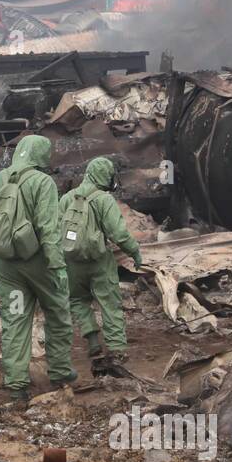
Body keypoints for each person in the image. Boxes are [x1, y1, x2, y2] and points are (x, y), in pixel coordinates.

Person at [0, 135, 76, 400]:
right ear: (41, 155)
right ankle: (59, 373)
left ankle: (16, 383)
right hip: (40, 265)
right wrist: (57, 266)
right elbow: (49, 228)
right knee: (57, 315)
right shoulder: (42, 182)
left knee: (14, 320)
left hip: (8, 267)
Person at [59, 157, 142, 376]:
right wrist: (134, 251)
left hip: (71, 261)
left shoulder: (68, 198)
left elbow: (54, 228)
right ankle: (116, 350)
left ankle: (93, 340)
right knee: (110, 304)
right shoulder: (104, 200)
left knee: (77, 300)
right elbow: (119, 233)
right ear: (106, 177)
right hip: (98, 260)